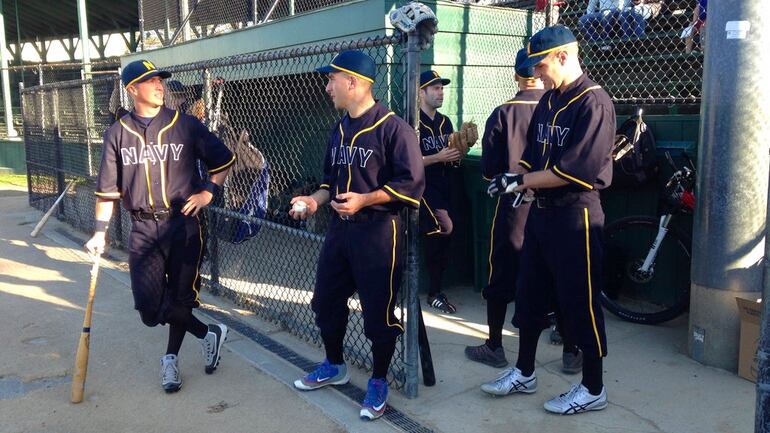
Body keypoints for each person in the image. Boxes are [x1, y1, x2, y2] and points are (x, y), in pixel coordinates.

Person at [482, 26, 615, 415]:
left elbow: (573, 171)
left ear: (563, 56)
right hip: (540, 212)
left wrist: (519, 181)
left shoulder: (594, 101)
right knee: (530, 294)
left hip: (577, 214)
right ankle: (524, 372)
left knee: (580, 301)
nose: (537, 73)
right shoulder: (548, 100)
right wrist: (515, 181)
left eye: (541, 65)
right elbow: (532, 157)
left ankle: (593, 387)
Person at [288, 50, 424, 421]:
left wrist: (366, 199)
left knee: (377, 313)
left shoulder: (394, 128)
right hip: (339, 230)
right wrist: (314, 202)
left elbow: (411, 184)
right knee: (325, 302)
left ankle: (378, 380)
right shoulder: (339, 127)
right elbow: (328, 183)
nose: (327, 86)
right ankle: (335, 365)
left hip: (379, 232)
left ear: (353, 82)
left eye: (332, 79)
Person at [85, 59, 236, 394]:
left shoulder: (185, 125)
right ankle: (207, 333)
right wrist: (99, 232)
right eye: (148, 80)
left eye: (159, 79)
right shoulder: (117, 134)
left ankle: (170, 360)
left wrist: (209, 192)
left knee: (181, 299)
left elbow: (224, 160)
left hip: (183, 224)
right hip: (143, 229)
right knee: (149, 308)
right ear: (132, 89)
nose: (158, 85)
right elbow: (107, 192)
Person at [464, 49, 546, 368]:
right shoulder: (558, 110)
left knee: (502, 274)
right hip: (553, 205)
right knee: (552, 275)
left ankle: (495, 345)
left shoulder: (503, 112)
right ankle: (571, 350)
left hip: (514, 206)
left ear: (516, 75)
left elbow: (489, 171)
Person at [417, 70, 460, 314]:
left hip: (447, 183)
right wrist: (438, 156)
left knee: (447, 235)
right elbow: (410, 162)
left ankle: (437, 290)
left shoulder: (445, 122)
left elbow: (452, 156)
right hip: (424, 187)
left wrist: (461, 147)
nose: (440, 92)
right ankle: (433, 292)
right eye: (434, 88)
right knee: (441, 229)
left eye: (441, 88)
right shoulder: (413, 122)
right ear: (421, 92)